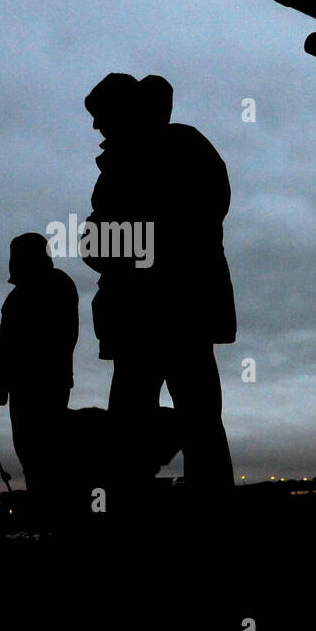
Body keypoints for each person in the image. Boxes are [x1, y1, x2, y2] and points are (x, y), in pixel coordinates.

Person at [82, 73, 236, 490]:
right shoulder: (117, 165)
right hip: (138, 317)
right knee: (133, 430)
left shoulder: (181, 147)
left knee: (197, 424)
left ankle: (211, 520)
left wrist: (129, 244)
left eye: (101, 116)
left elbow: (188, 225)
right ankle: (137, 525)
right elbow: (97, 242)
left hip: (177, 312)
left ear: (123, 111)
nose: (96, 126)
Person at [0, 233, 79, 494]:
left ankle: (49, 519)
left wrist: (2, 387)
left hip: (46, 383)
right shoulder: (17, 295)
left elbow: (62, 337)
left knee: (45, 453)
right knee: (30, 454)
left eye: (17, 255)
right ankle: (42, 517)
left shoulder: (55, 284)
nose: (12, 261)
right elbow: (4, 346)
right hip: (26, 386)